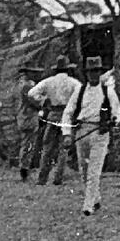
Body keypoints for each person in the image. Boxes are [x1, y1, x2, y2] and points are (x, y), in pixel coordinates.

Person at [64, 56, 120, 215]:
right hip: (82, 131)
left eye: (96, 71)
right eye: (90, 72)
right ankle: (95, 198)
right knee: (83, 169)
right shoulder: (80, 90)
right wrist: (67, 134)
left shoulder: (107, 91)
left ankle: (87, 206)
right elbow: (68, 112)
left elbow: (117, 111)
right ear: (86, 74)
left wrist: (114, 121)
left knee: (94, 170)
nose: (93, 75)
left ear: (100, 72)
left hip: (100, 133)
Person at [26, 56, 80, 185]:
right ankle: (58, 178)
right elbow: (81, 95)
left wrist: (43, 100)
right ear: (68, 69)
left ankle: (42, 178)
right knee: (63, 148)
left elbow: (31, 93)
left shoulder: (48, 81)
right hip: (67, 114)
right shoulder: (74, 83)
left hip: (52, 114)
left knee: (47, 148)